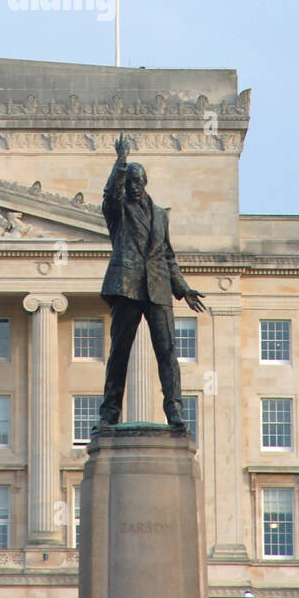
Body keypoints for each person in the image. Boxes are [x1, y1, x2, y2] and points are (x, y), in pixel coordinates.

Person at [98, 131, 205, 430]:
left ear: (145, 184)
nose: (133, 187)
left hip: (157, 289)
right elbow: (110, 193)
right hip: (127, 286)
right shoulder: (118, 211)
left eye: (137, 182)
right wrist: (121, 162)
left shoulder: (160, 215)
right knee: (120, 352)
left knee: (168, 351)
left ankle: (174, 410)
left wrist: (182, 288)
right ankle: (109, 412)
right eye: (129, 182)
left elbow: (167, 256)